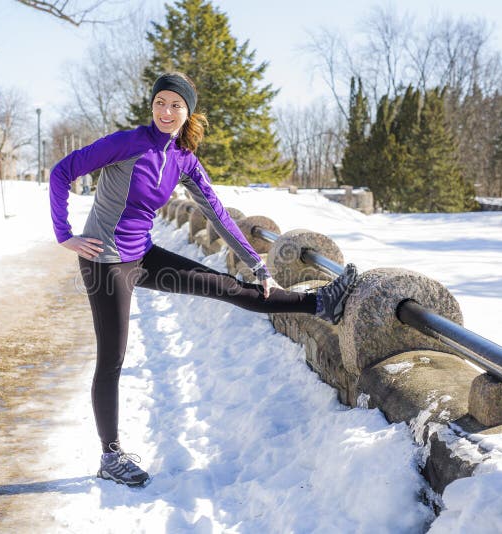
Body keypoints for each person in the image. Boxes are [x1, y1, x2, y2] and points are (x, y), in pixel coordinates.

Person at [49, 72, 358, 487]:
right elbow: (62, 171)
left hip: (142, 254)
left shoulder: (183, 159)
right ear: (152, 105)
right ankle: (110, 455)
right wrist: (65, 235)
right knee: (113, 359)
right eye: (160, 102)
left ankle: (320, 304)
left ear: (187, 112)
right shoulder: (127, 142)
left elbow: (217, 214)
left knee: (227, 287)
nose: (166, 111)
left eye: (176, 105)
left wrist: (257, 262)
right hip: (104, 260)